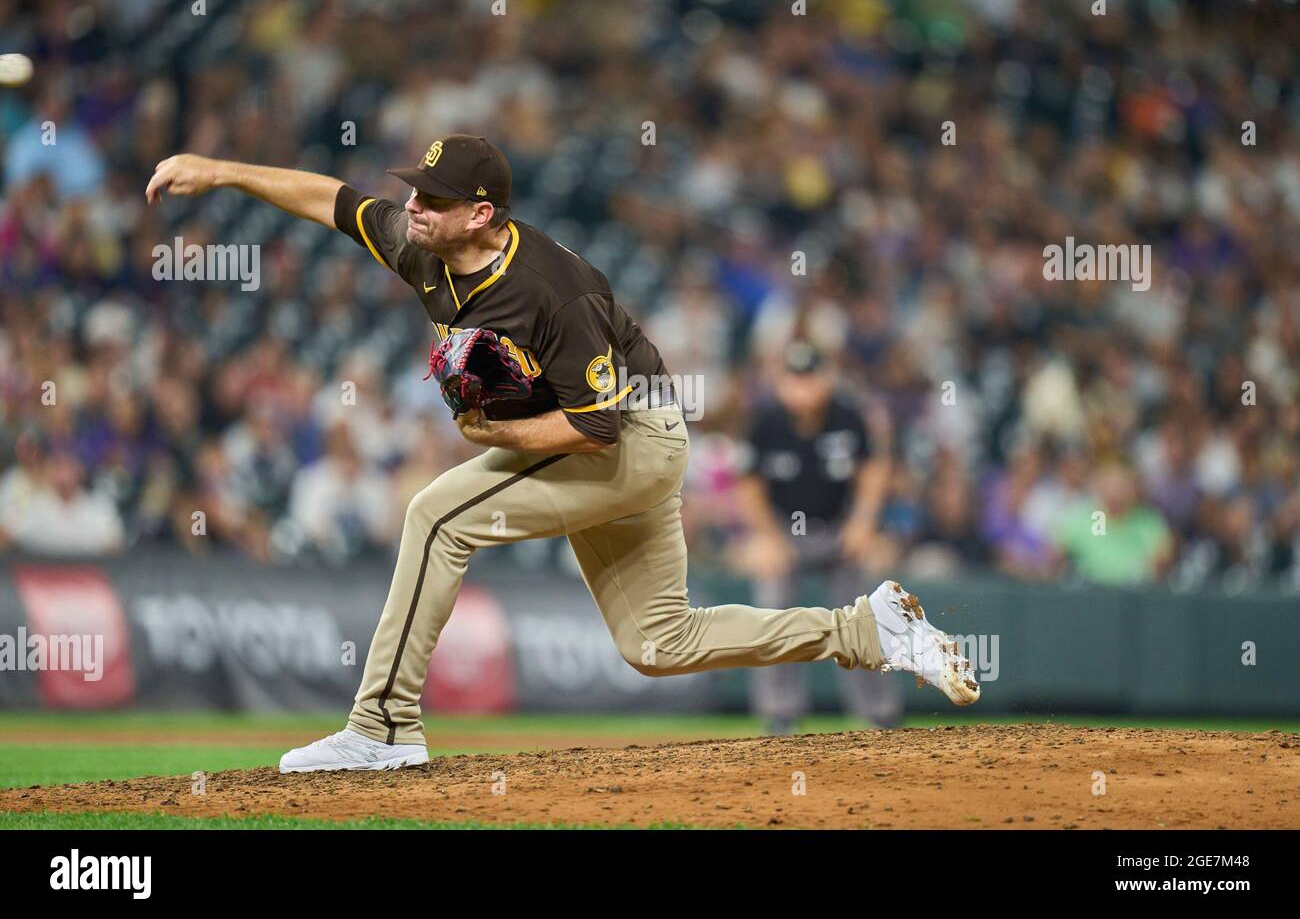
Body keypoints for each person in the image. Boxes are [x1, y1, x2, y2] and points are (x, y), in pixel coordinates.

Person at [145, 134, 980, 773]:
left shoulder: (551, 289)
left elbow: (597, 427)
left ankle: (383, 728)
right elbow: (332, 200)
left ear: (482, 215)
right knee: (661, 643)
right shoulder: (419, 245)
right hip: (615, 449)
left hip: (632, 439)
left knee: (437, 516)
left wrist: (493, 432)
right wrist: (221, 170)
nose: (415, 209)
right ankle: (869, 629)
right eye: (416, 194)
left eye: (433, 200)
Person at [734, 341, 903, 733]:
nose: (804, 388)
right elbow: (748, 484)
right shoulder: (766, 423)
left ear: (826, 379)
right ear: (782, 383)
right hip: (783, 535)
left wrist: (863, 521)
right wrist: (766, 537)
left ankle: (879, 714)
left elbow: (875, 467)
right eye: (795, 379)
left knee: (860, 620)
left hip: (839, 530)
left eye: (810, 378)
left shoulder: (848, 416)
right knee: (775, 617)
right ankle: (780, 715)